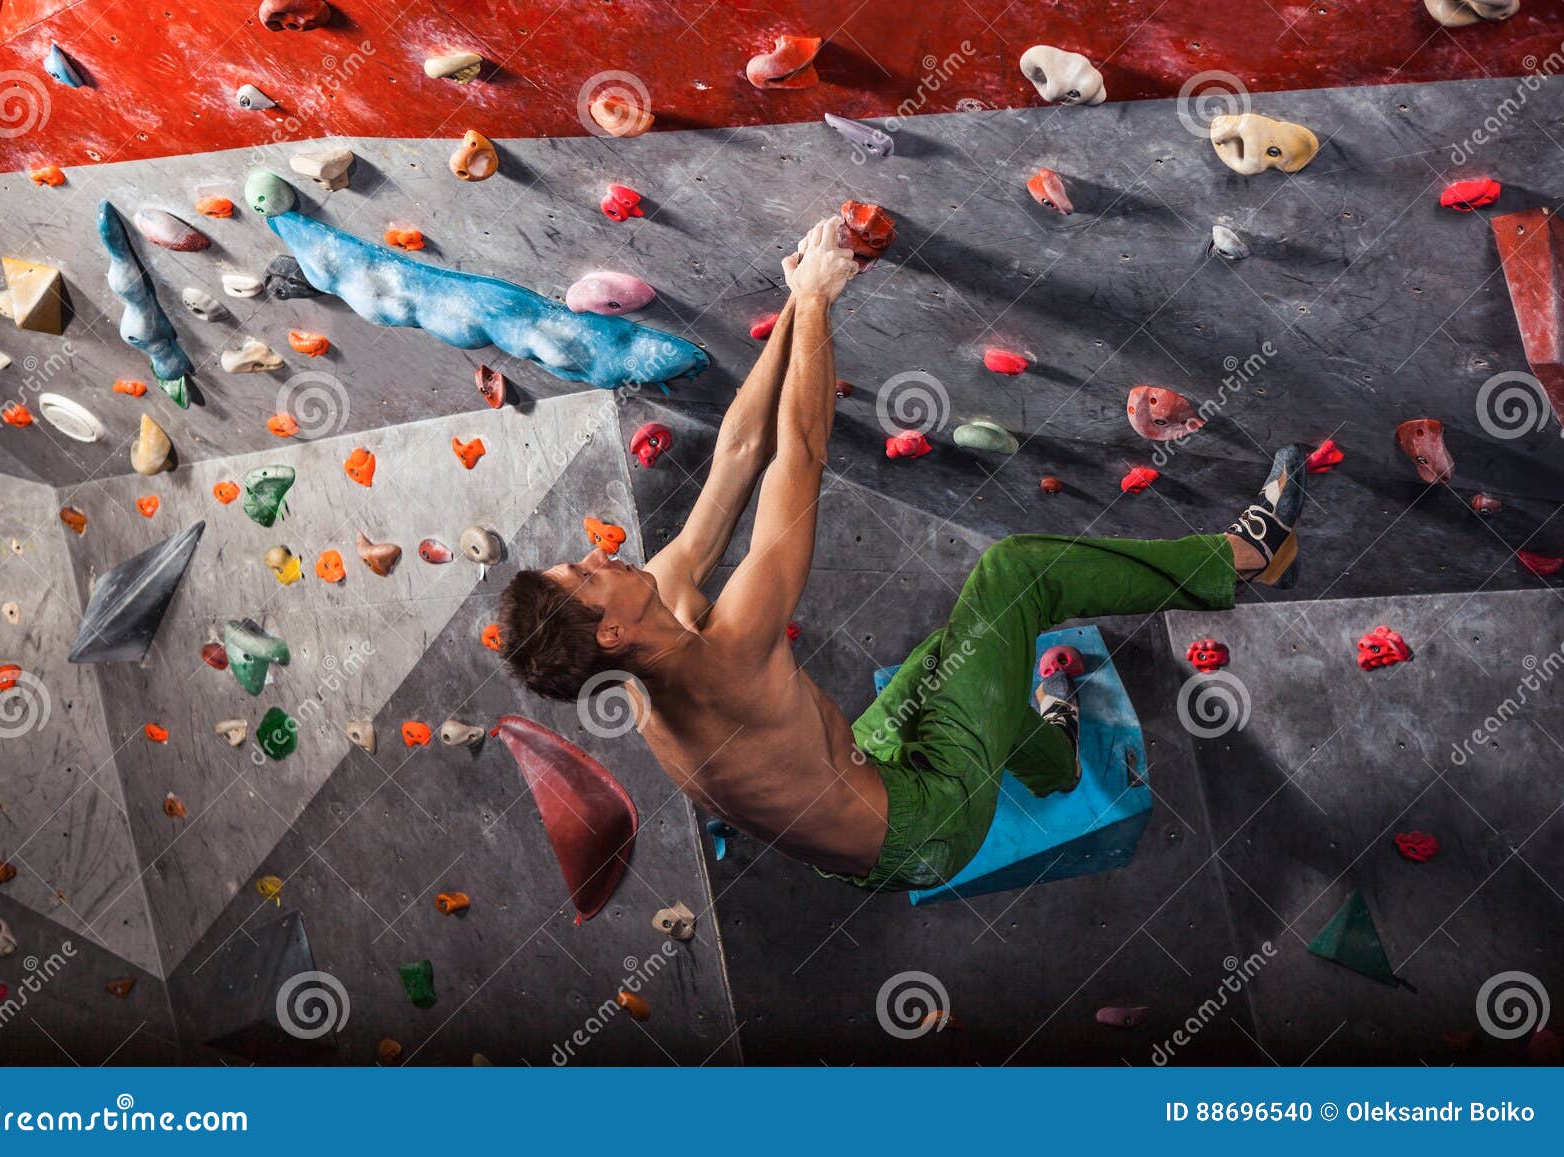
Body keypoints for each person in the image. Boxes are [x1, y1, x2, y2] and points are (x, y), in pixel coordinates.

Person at [499, 217, 1307, 891]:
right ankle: (1245, 555)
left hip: (863, 800)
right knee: (1013, 574)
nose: (595, 556)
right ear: (609, 631)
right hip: (929, 822)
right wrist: (819, 297)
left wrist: (793, 305)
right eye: (584, 576)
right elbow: (799, 455)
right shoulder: (723, 663)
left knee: (940, 665)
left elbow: (741, 449)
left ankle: (1056, 758)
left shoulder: (647, 636)